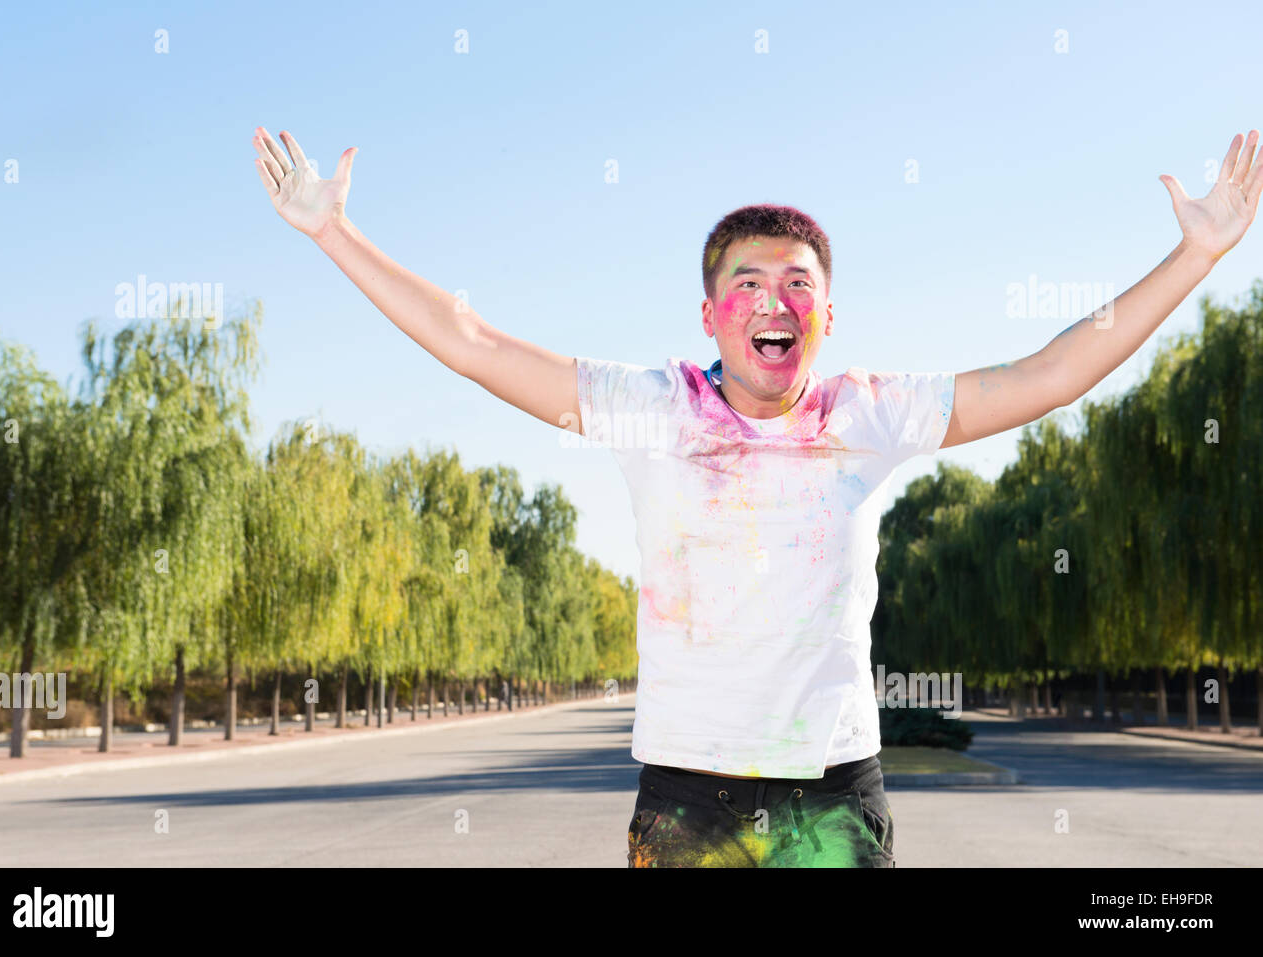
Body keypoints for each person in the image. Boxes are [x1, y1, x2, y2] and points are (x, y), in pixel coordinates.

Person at [252, 126, 1261, 867]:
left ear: (827, 313)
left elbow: (1049, 375)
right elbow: (472, 344)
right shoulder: (652, 409)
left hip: (835, 796)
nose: (772, 300)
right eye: (747, 281)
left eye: (796, 281)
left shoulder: (867, 415)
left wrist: (1197, 253)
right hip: (689, 798)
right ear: (708, 313)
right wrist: (332, 233)